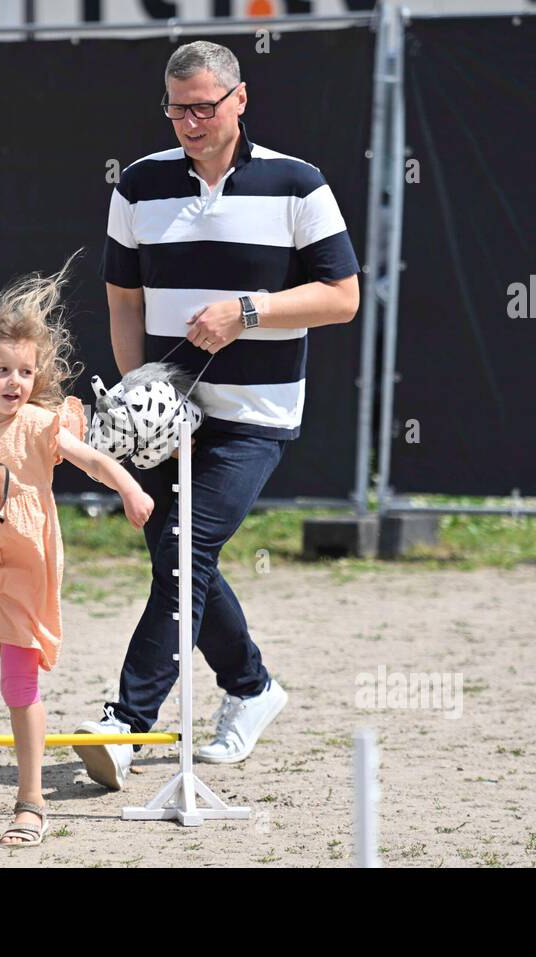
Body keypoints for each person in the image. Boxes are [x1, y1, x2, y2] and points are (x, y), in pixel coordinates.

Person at [73, 41, 360, 790]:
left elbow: (342, 296)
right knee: (179, 554)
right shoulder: (138, 186)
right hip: (165, 417)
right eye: (178, 109)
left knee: (183, 552)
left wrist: (248, 310)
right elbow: (123, 300)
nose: (191, 122)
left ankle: (126, 724)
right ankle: (253, 687)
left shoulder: (298, 182)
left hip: (254, 415)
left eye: (205, 105)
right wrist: (138, 395)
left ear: (240, 99)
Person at [0, 252, 155, 844]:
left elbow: (92, 458)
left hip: (23, 569)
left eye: (25, 371)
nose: (15, 382)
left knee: (20, 686)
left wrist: (131, 489)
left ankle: (30, 801)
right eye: (1, 370)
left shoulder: (40, 425)